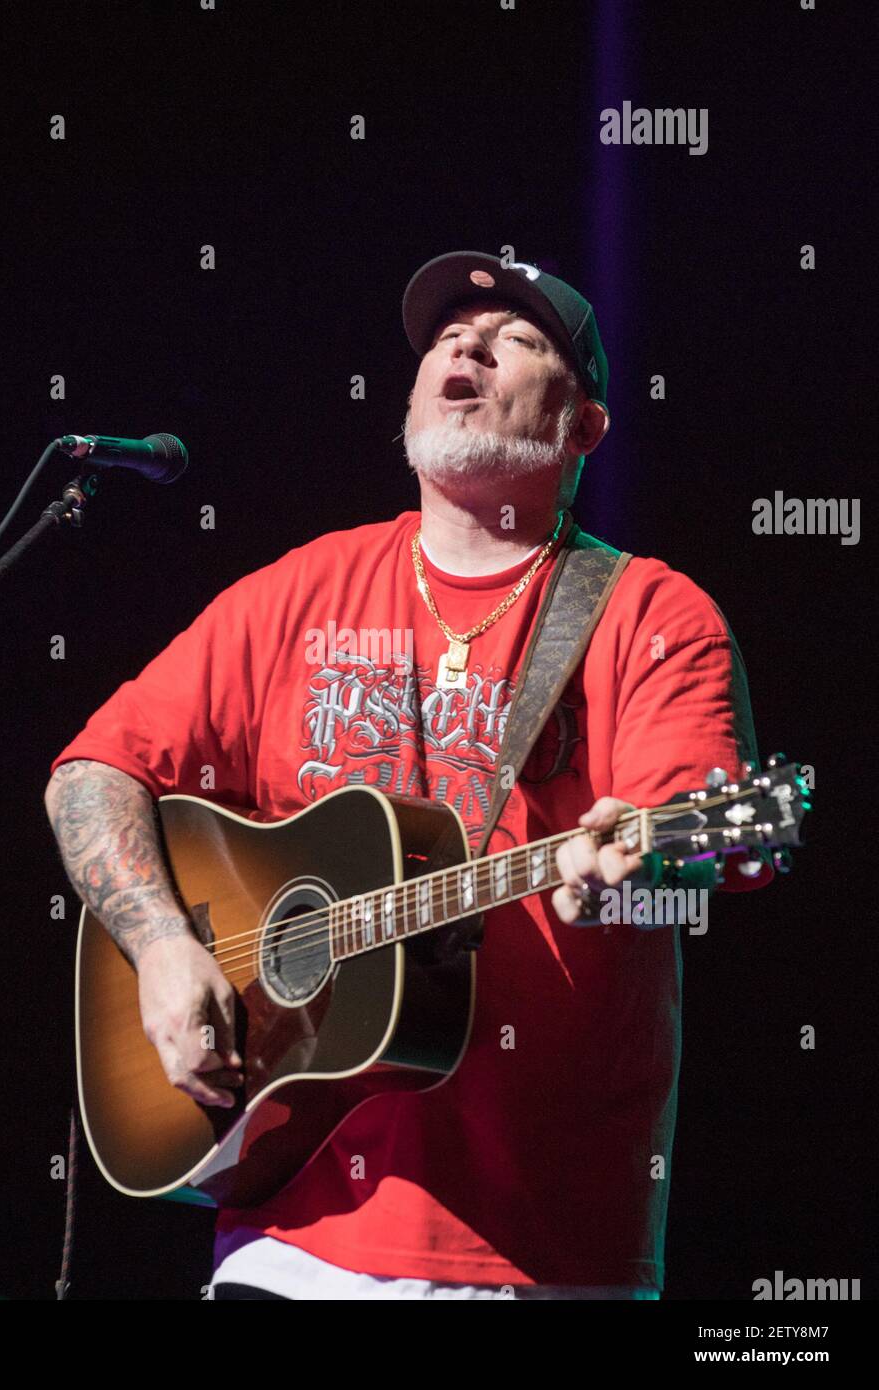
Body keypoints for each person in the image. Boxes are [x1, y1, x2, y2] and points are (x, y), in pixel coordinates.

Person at [45, 250, 771, 1300]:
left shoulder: (650, 615)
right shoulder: (302, 588)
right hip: (285, 1233)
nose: (467, 344)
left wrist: (639, 861)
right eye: (445, 337)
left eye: (516, 339)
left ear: (583, 426)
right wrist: (159, 943)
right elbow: (92, 771)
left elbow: (703, 849)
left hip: (537, 1254)